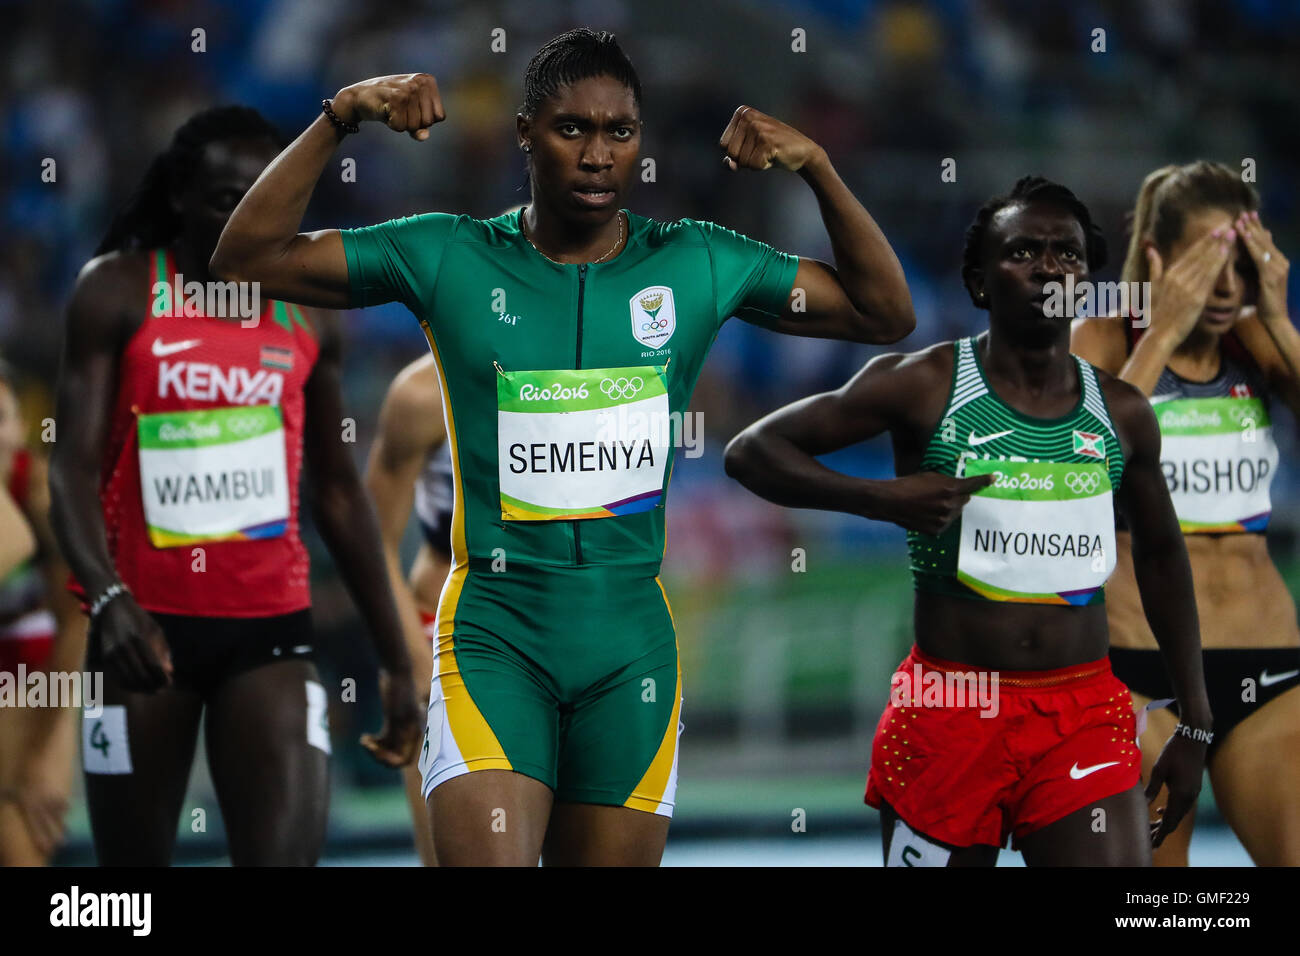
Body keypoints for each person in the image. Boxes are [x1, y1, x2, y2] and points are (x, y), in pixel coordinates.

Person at [210, 28, 916, 865]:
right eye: (570, 129)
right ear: (523, 133)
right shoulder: (449, 254)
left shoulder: (697, 262)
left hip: (631, 657)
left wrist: (816, 166)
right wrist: (338, 117)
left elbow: (884, 314)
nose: (596, 154)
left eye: (619, 132)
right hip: (493, 640)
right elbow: (243, 261)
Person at [725, 176, 1212, 865]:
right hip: (947, 711)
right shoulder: (922, 384)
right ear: (979, 284)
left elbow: (1163, 555)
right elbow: (753, 452)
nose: (1049, 267)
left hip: (1081, 716)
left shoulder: (1123, 414)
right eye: (1024, 252)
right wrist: (885, 498)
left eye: (1068, 255)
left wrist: (1195, 722)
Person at [47, 105, 420, 866]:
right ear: (181, 196)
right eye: (225, 200)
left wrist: (396, 659)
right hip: (140, 636)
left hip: (270, 633)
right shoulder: (116, 291)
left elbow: (340, 493)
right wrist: (109, 601)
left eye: (261, 202)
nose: (242, 220)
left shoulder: (312, 310)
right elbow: (72, 470)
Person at [1071, 161, 1300, 865]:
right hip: (1139, 672)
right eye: (1207, 265)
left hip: (1264, 664)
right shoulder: (1101, 338)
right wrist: (1163, 334)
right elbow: (1080, 467)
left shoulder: (1256, 343)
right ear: (1156, 258)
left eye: (1240, 263)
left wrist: (1280, 315)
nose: (1227, 285)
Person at [364, 353, 453, 865]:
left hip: (567, 629)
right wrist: (411, 660)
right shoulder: (420, 394)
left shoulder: (593, 360)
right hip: (442, 631)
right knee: (447, 854)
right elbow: (373, 541)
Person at [0, 360, 86, 865]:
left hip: (30, 677)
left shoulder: (36, 488)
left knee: (20, 834)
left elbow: (80, 612)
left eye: (4, 417)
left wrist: (48, 749)